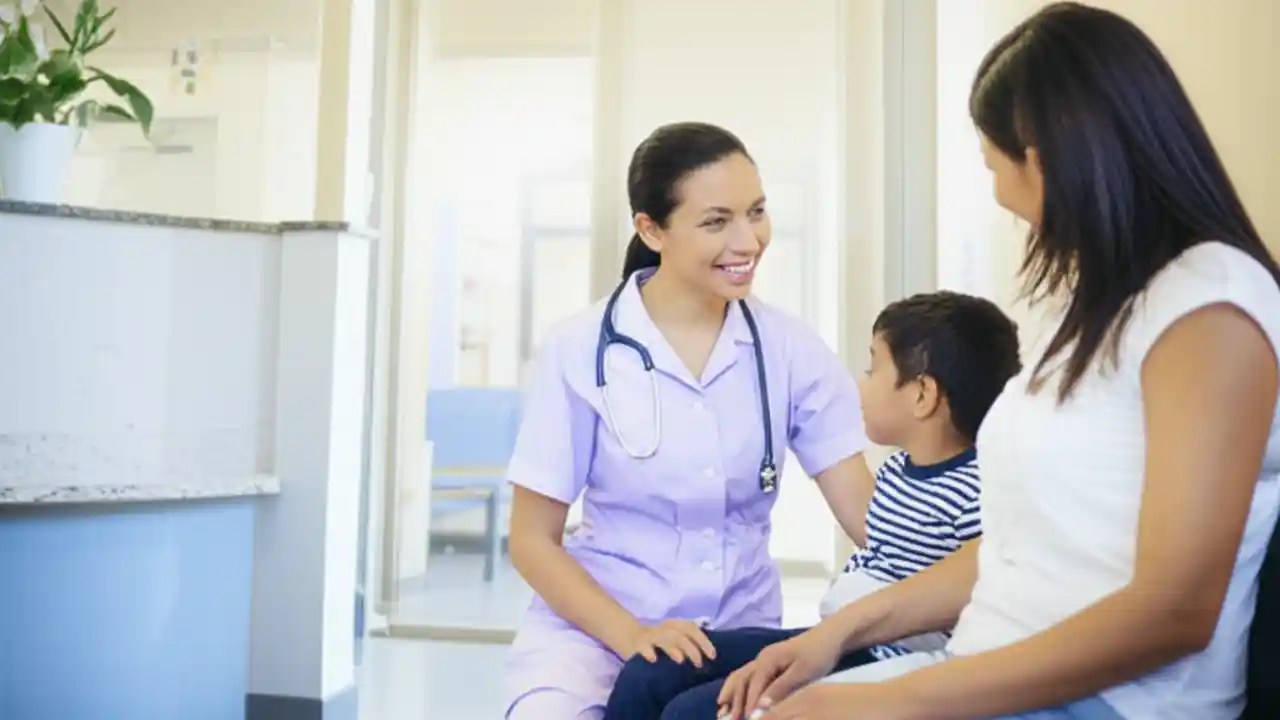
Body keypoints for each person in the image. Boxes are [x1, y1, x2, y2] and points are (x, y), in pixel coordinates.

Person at [715, 3, 1280, 719]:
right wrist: (838, 633)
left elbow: (1172, 613)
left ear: (1047, 156)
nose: (1002, 197)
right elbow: (1020, 549)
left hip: (1116, 703)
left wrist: (906, 698)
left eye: (994, 164)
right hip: (991, 662)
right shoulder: (1091, 315)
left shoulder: (1211, 310)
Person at [501, 121, 877, 719]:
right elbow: (531, 539)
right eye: (716, 221)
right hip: (595, 630)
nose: (748, 240)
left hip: (734, 638)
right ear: (651, 230)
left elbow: (867, 517)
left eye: (756, 212)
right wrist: (632, 636)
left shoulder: (790, 350)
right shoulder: (579, 349)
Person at [602, 291, 1023, 720]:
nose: (859, 384)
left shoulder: (979, 491)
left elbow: (982, 605)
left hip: (888, 657)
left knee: (694, 713)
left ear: (922, 395)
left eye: (872, 368)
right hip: (842, 638)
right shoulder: (897, 473)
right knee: (654, 671)